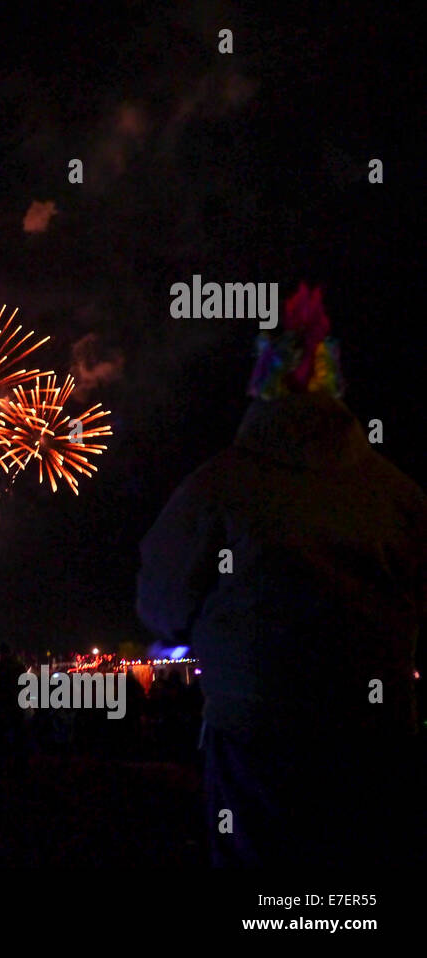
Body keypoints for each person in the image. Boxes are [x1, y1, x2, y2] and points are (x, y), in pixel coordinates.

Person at [137, 285, 425, 868]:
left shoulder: (216, 488)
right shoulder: (397, 493)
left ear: (259, 387)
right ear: (335, 385)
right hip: (377, 738)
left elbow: (161, 601)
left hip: (255, 738)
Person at [0, 642, 28, 776]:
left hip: (2, 707)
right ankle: (19, 767)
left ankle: (1, 767)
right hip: (16, 705)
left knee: (2, 738)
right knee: (19, 738)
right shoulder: (19, 667)